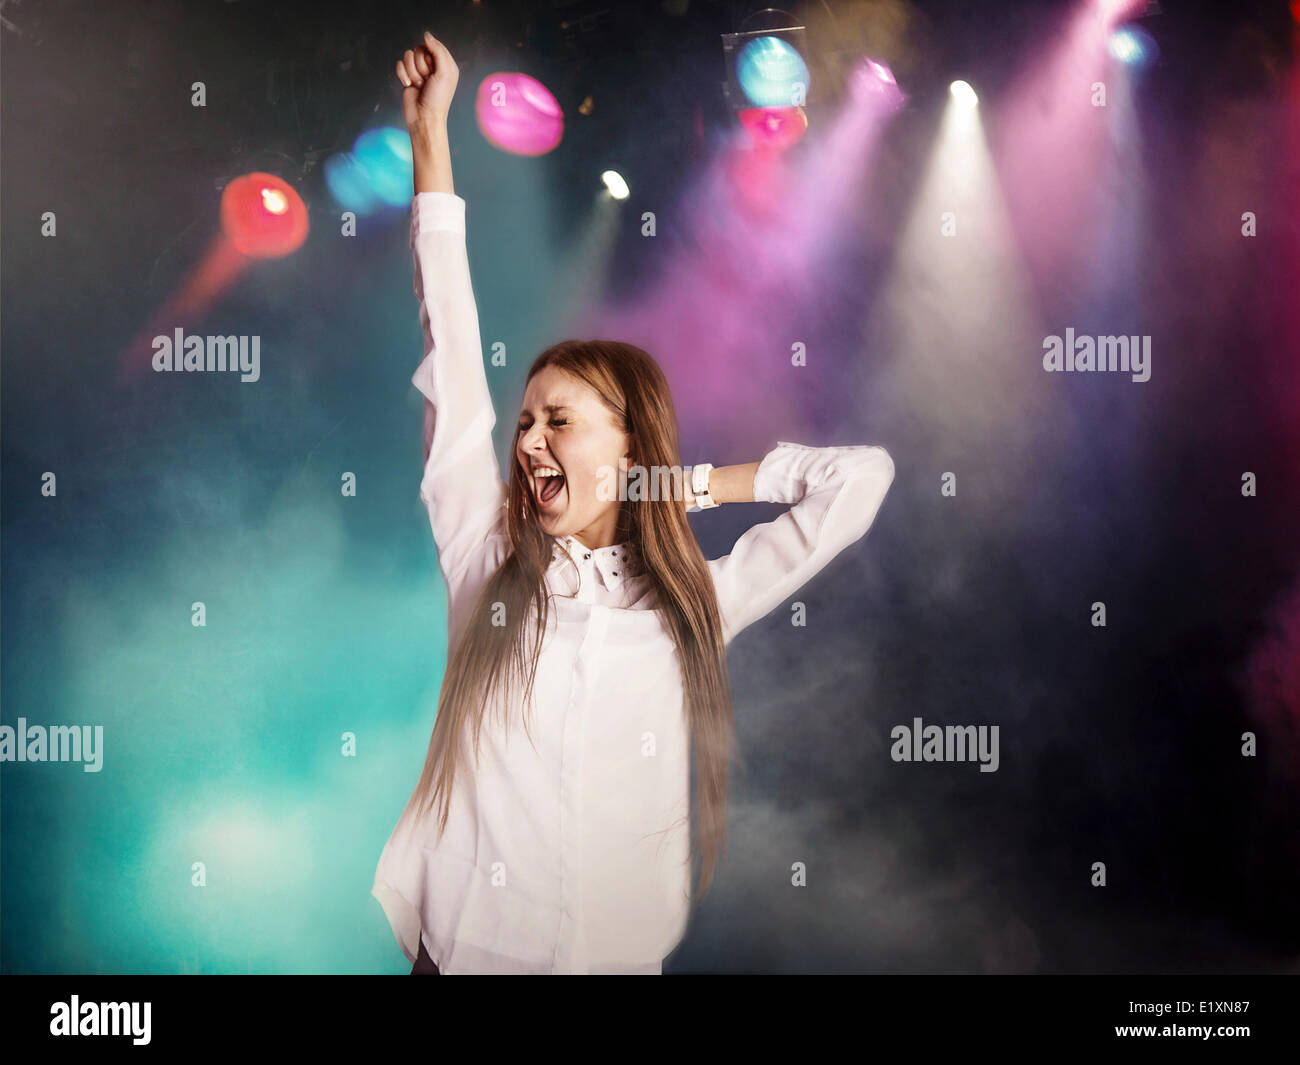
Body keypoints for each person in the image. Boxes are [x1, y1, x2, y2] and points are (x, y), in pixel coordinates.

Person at [373, 32, 896, 975]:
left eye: (558, 420)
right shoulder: (482, 556)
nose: (528, 440)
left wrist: (686, 485)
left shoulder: (689, 598)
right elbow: (450, 347)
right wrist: (430, 142)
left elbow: (860, 481)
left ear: (628, 443)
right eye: (525, 420)